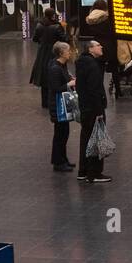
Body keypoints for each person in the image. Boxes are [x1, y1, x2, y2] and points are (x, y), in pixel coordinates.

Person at [75, 40, 111, 183]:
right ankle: (94, 173)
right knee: (96, 140)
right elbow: (94, 90)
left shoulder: (81, 62)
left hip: (84, 108)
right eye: (98, 45)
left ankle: (82, 171)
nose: (101, 46)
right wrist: (99, 111)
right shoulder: (92, 65)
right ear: (90, 49)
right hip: (93, 109)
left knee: (85, 139)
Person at [80, 0, 120, 99]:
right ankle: (118, 91)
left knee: (99, 70)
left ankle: (100, 91)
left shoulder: (90, 19)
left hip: (96, 45)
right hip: (110, 45)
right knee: (115, 68)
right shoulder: (108, 18)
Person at [29, 8, 68, 109]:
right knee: (55, 76)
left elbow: (35, 39)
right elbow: (64, 39)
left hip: (42, 54)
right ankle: (54, 101)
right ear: (53, 15)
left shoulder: (39, 25)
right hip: (54, 54)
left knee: (44, 78)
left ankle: (44, 102)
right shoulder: (57, 26)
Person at [47, 42, 75, 173]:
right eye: (68, 50)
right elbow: (56, 88)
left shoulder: (62, 66)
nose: (70, 52)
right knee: (60, 135)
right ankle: (58, 162)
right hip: (58, 107)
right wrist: (70, 83)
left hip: (63, 106)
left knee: (64, 133)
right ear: (61, 53)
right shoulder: (55, 68)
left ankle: (63, 159)